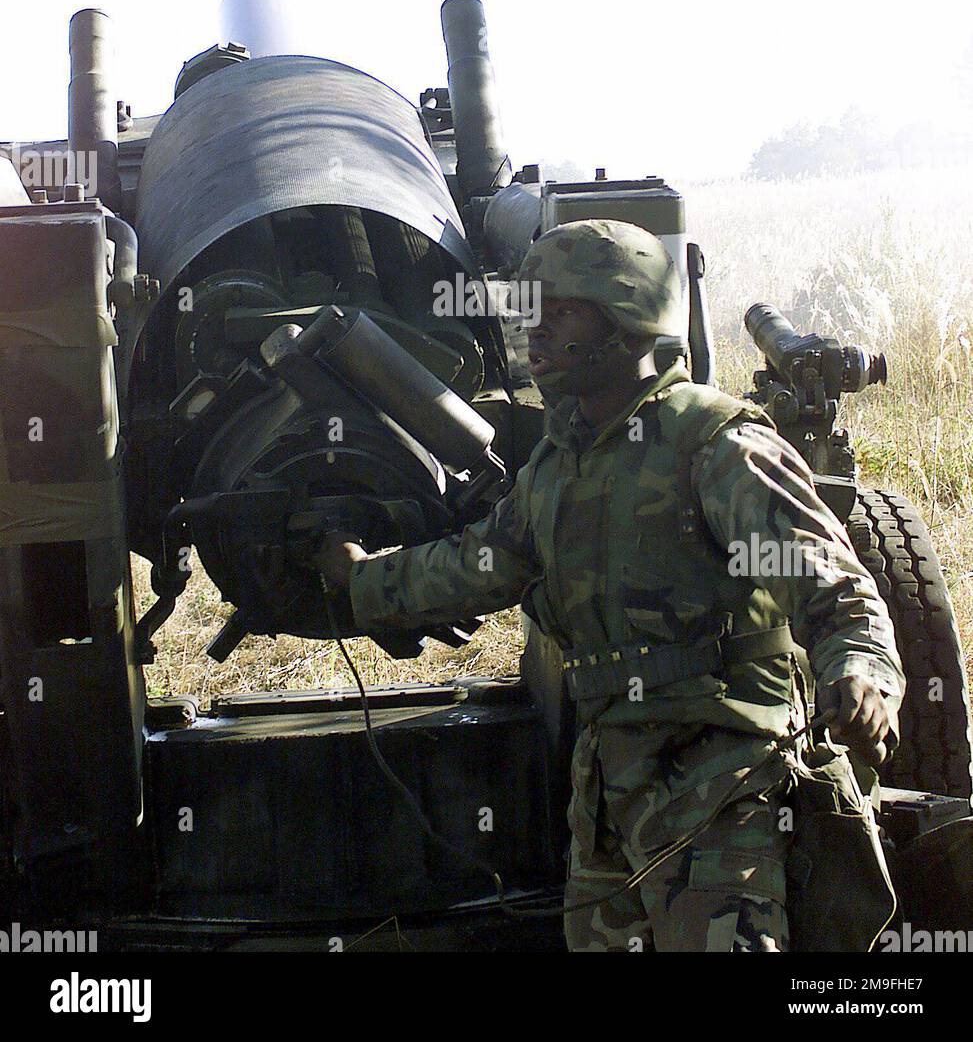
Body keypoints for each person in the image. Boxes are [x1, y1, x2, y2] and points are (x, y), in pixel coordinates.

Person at [320, 218, 904, 951]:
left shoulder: (714, 443)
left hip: (723, 783)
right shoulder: (560, 463)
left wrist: (859, 673)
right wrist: (361, 578)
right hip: (607, 797)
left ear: (626, 319)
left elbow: (834, 589)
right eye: (527, 312)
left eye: (558, 312)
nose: (532, 334)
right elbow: (480, 566)